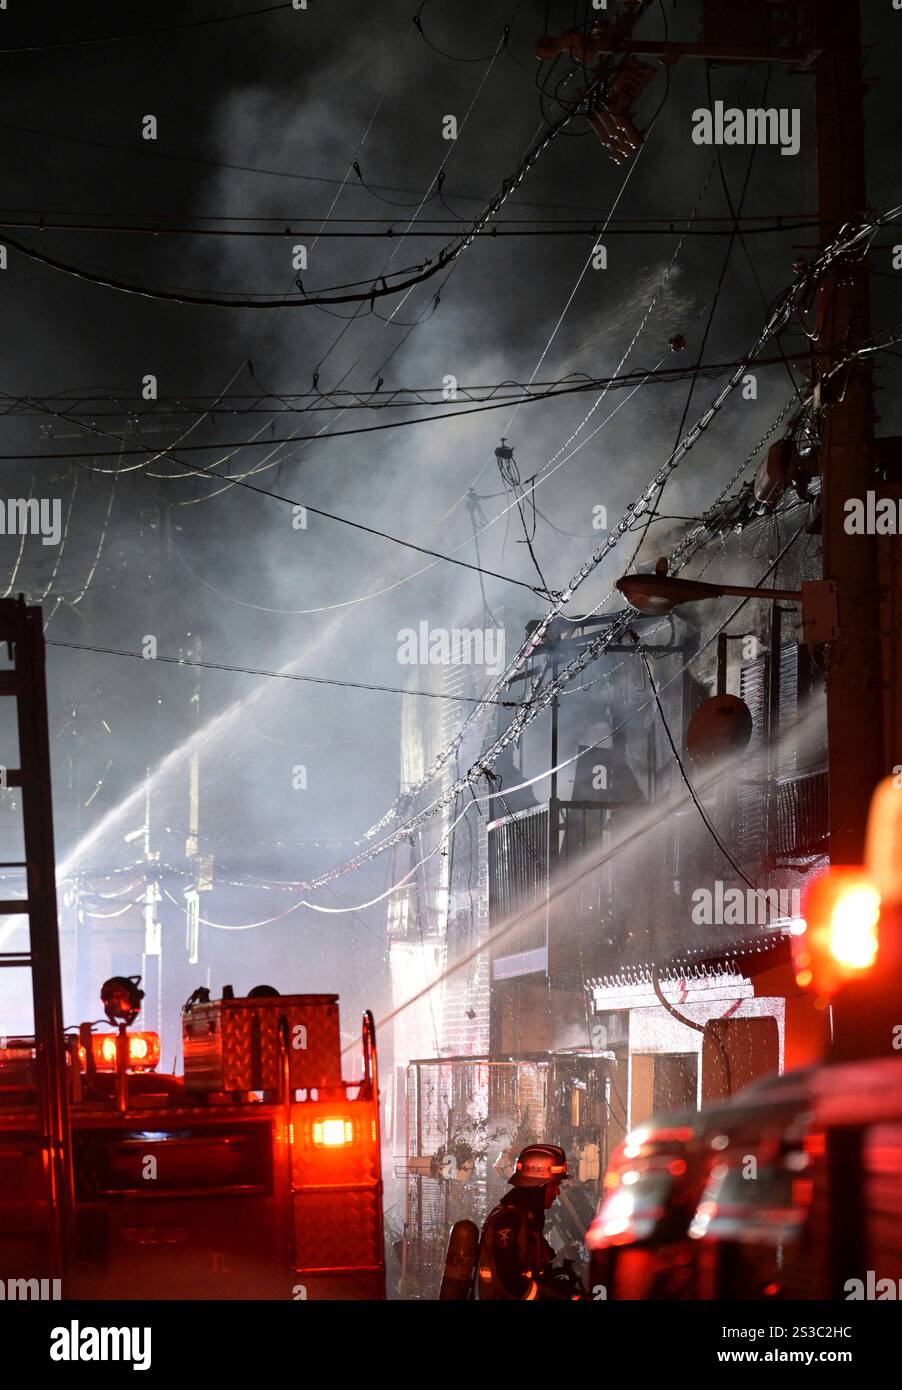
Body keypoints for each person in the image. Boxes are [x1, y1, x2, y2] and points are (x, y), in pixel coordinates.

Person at [476, 1144, 583, 1300]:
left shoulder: (528, 1220)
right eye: (554, 1185)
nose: (557, 1192)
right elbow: (510, 1283)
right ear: (538, 1187)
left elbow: (536, 1272)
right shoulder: (509, 1222)